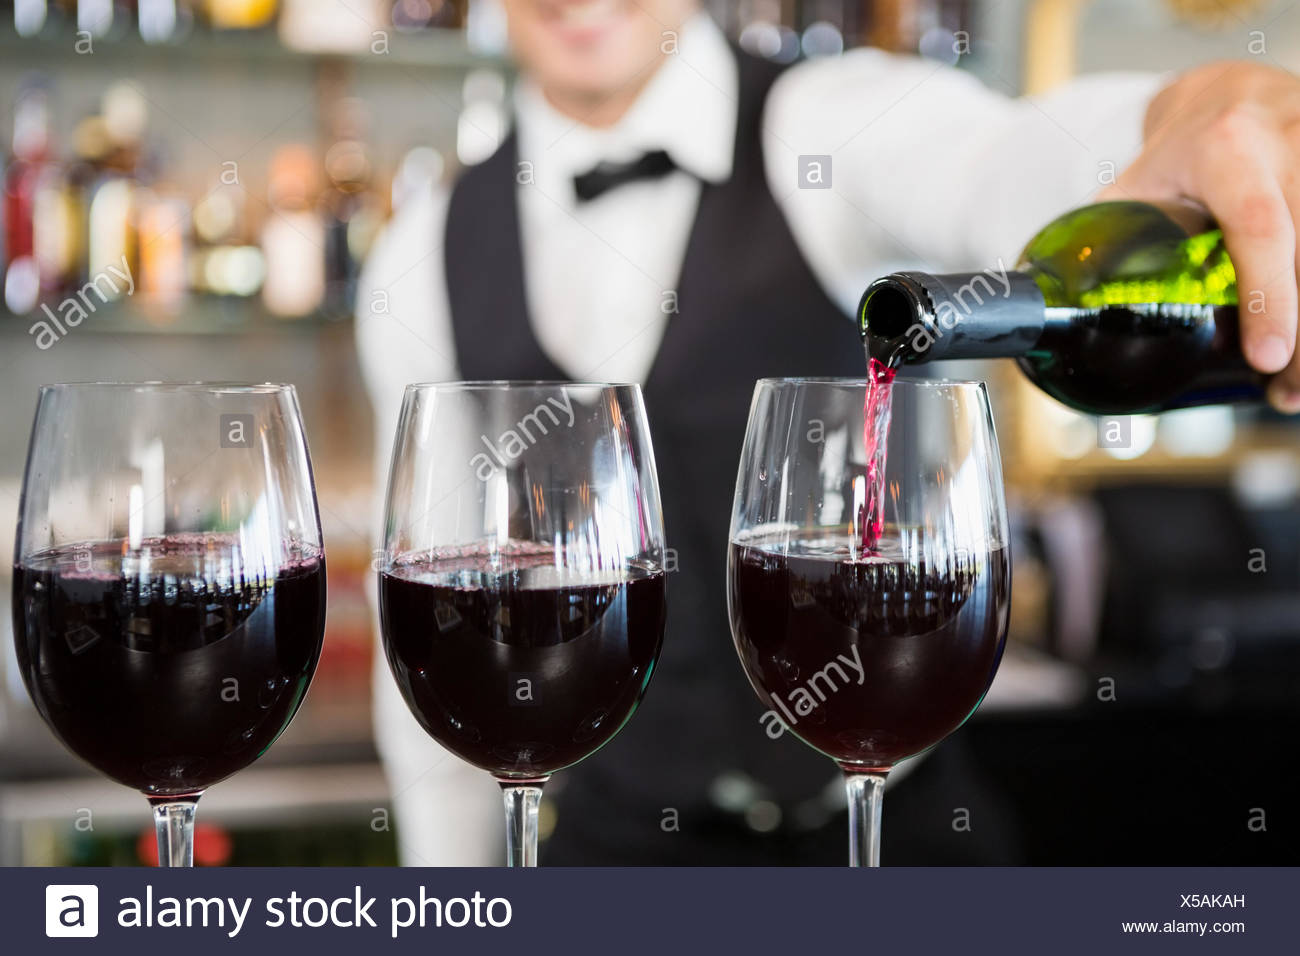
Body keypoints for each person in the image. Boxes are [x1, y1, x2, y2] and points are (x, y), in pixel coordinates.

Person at [356, 0, 1300, 865]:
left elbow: (1004, 161)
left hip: (896, 833)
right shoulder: (423, 252)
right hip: (617, 852)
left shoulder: (825, 125)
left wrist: (1188, 113)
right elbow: (428, 649)